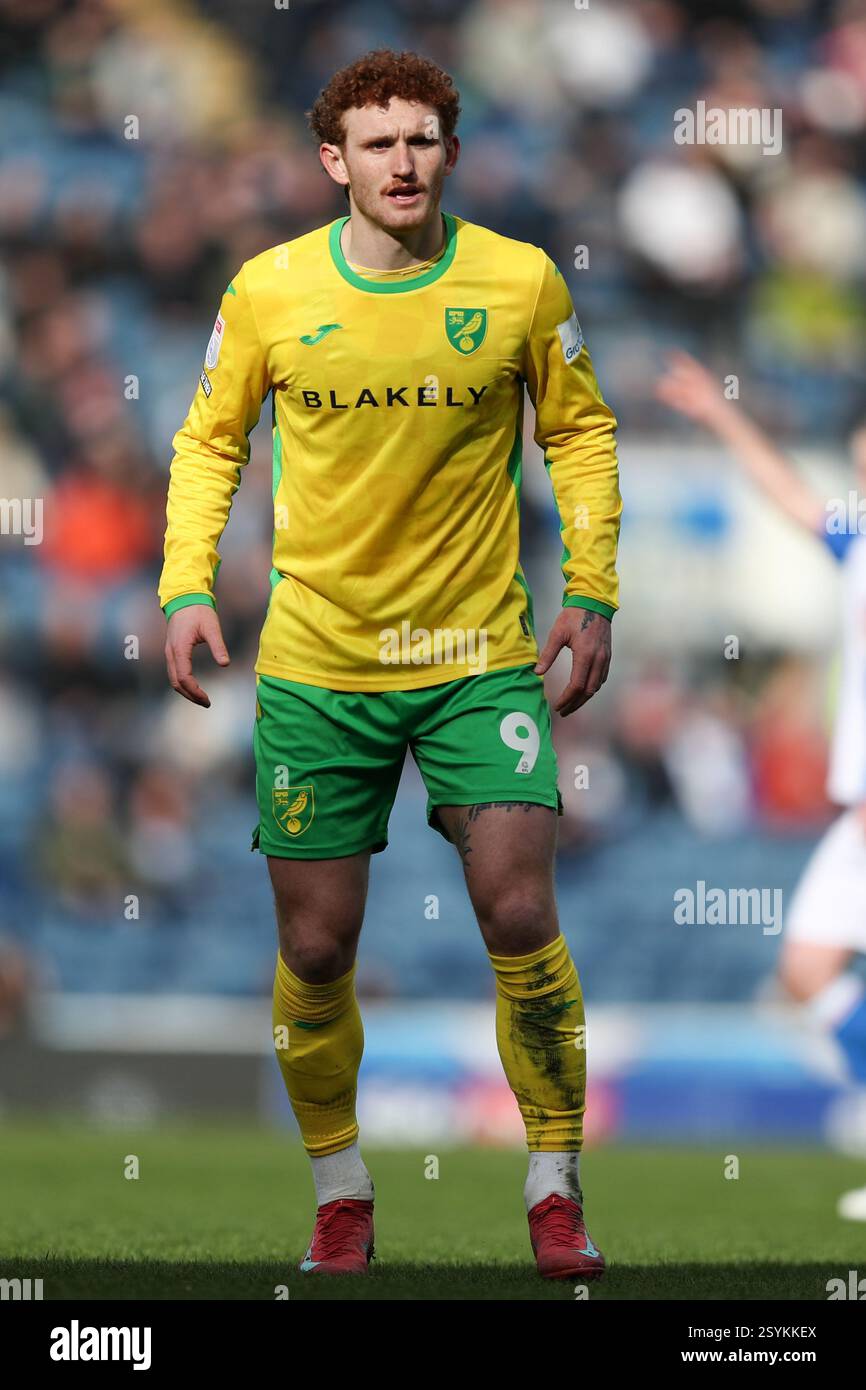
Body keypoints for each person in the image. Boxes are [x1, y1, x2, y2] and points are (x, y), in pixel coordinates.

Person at [159, 48, 621, 1276]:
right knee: (315, 950)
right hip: (318, 664)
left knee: (519, 909)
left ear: (449, 151)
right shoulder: (267, 291)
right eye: (376, 144)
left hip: (478, 654)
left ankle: (552, 1185)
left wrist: (592, 588)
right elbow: (209, 442)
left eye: (420, 140)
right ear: (333, 162)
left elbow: (576, 432)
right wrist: (184, 586)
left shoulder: (518, 281)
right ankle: (341, 1188)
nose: (401, 162)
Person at [657, 349, 866, 1221]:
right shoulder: (857, 540)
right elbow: (787, 494)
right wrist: (719, 414)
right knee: (808, 966)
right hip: (855, 813)